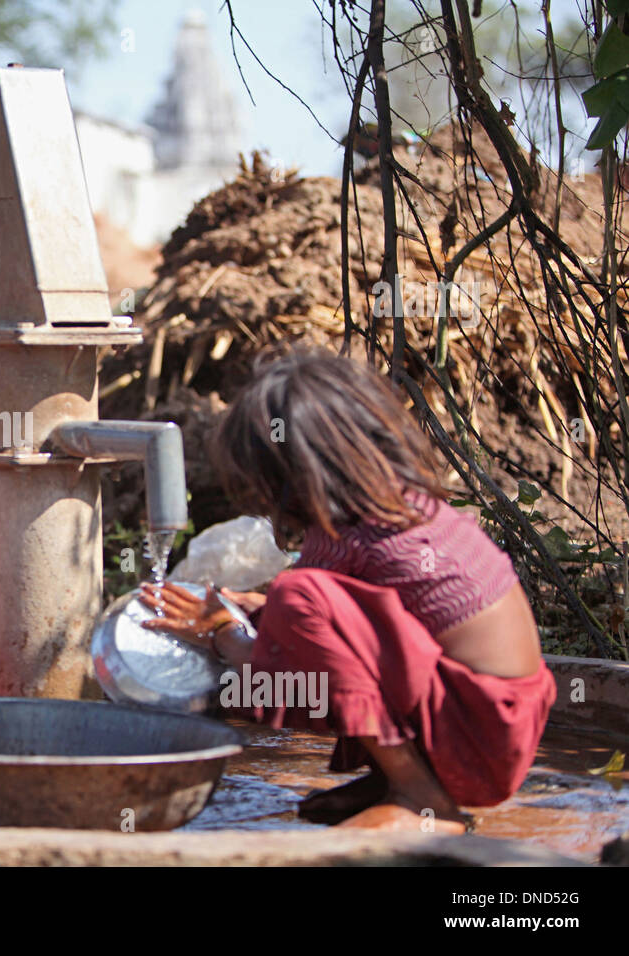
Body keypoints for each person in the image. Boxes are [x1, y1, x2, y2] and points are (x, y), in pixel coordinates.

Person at [141, 350, 556, 833]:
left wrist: (225, 635)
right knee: (295, 602)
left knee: (298, 599)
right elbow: (372, 627)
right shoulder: (406, 507)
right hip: (506, 728)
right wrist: (258, 607)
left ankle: (420, 795)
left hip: (476, 739)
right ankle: (406, 781)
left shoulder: (342, 539)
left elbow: (292, 672)